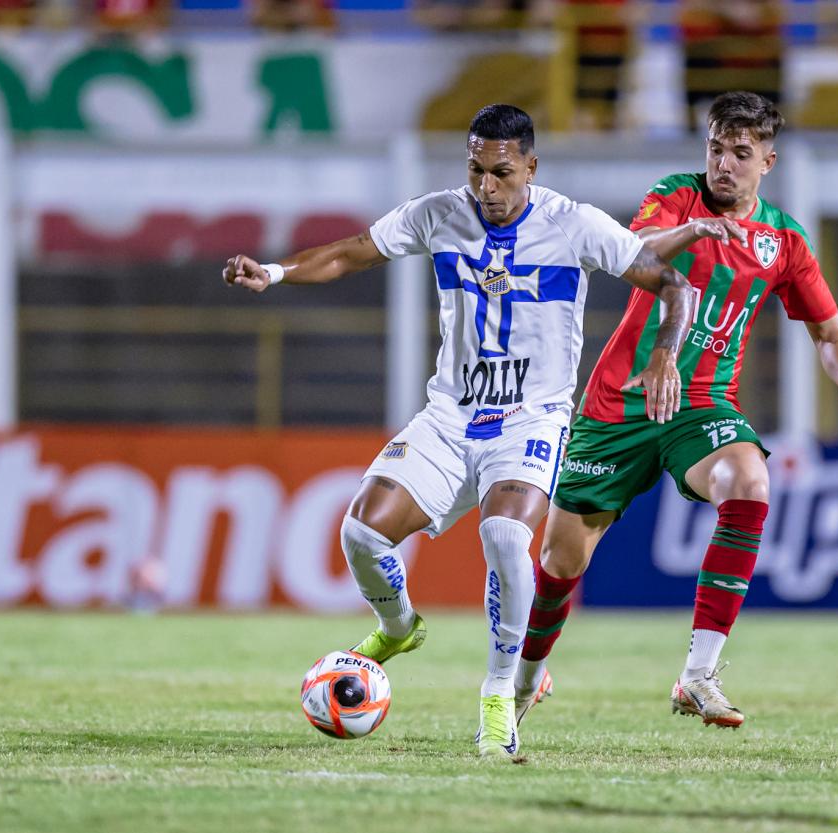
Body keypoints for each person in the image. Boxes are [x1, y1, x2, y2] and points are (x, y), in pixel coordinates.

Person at [222, 104, 708, 758]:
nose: (487, 187)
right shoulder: (438, 213)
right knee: (360, 532)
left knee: (507, 537)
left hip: (531, 418)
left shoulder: (574, 224)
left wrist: (663, 355)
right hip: (451, 415)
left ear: (530, 167)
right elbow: (350, 254)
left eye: (502, 173)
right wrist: (275, 272)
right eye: (476, 170)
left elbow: (674, 285)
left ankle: (500, 696)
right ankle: (397, 627)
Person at [513, 91, 838, 730]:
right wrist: (694, 229)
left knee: (750, 481)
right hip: (618, 405)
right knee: (560, 563)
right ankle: (519, 680)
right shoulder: (678, 196)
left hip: (701, 405)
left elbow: (827, 332)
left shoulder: (785, 241)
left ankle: (698, 675)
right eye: (716, 148)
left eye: (741, 153)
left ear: (768, 160)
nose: (724, 165)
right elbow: (635, 249)